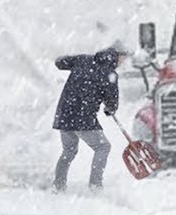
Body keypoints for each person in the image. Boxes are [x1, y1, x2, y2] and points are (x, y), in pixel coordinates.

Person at [52, 44, 125, 192]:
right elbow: (111, 103)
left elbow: (60, 63)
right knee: (103, 147)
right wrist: (110, 109)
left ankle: (58, 186)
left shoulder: (83, 59)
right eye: (123, 59)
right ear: (117, 56)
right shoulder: (110, 74)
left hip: (64, 114)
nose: (123, 63)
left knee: (69, 150)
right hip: (82, 118)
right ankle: (95, 185)